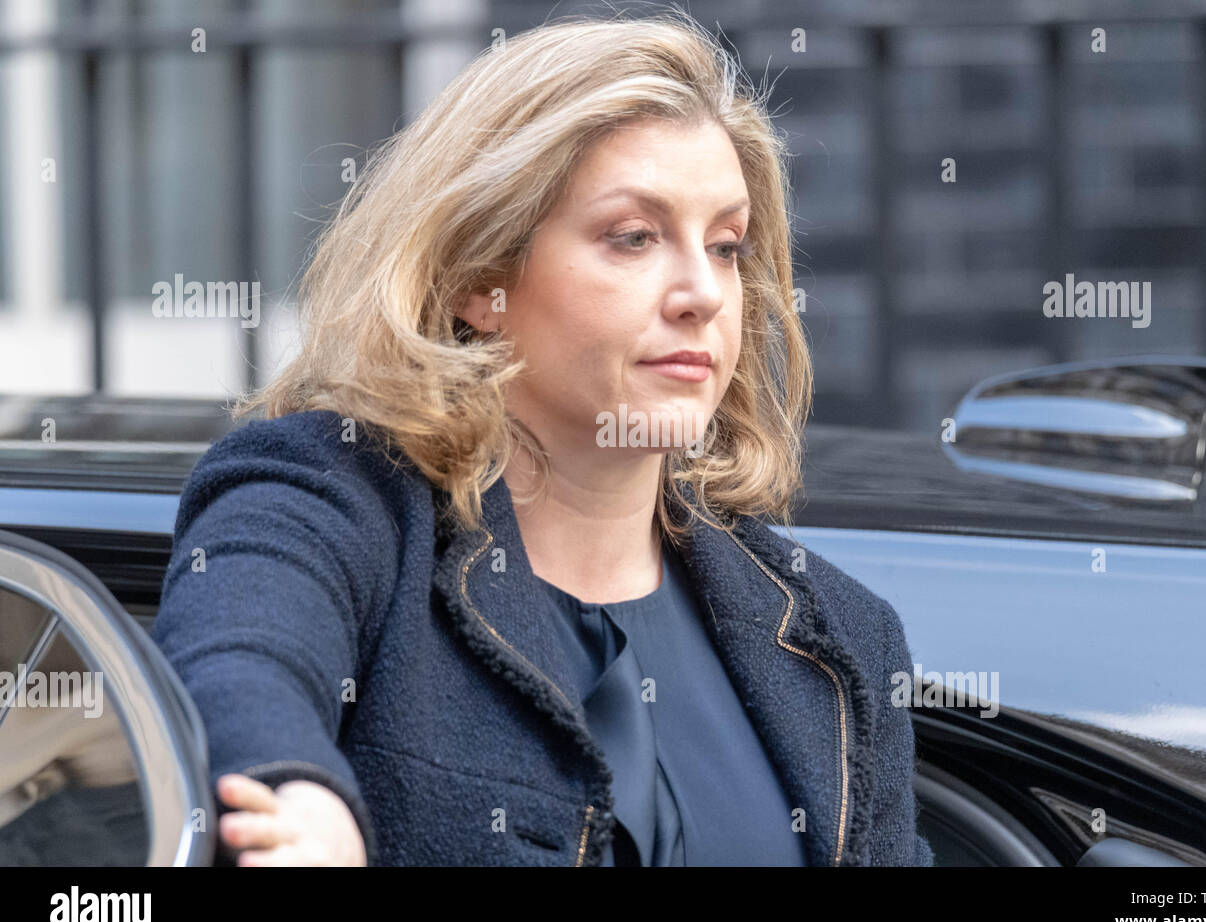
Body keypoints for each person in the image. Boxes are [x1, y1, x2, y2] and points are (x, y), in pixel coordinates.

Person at [151, 10, 933, 867]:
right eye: (634, 237)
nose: (702, 293)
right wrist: (298, 797)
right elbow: (234, 664)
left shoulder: (842, 637)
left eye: (725, 246)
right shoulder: (330, 499)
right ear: (479, 279)